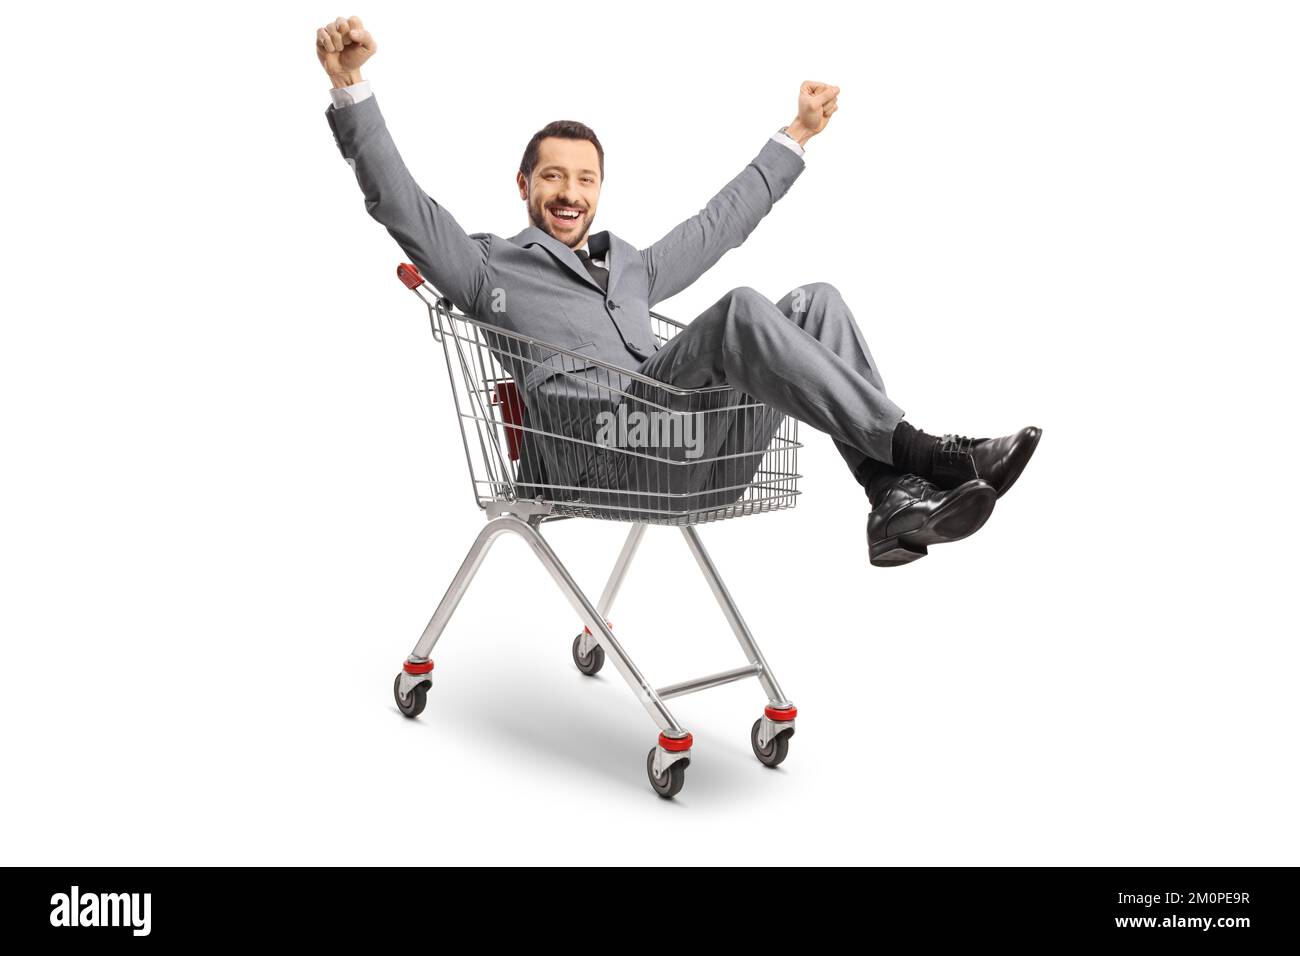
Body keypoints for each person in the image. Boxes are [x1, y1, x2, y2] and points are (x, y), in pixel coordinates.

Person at [317, 15, 1041, 566]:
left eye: (585, 179)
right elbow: (402, 205)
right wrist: (351, 87)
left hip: (692, 448)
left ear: (600, 190)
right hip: (607, 454)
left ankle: (890, 499)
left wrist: (798, 132)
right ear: (524, 186)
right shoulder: (490, 267)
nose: (570, 193)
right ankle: (923, 457)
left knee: (816, 299)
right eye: (553, 177)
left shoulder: (633, 269)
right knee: (739, 313)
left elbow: (717, 225)